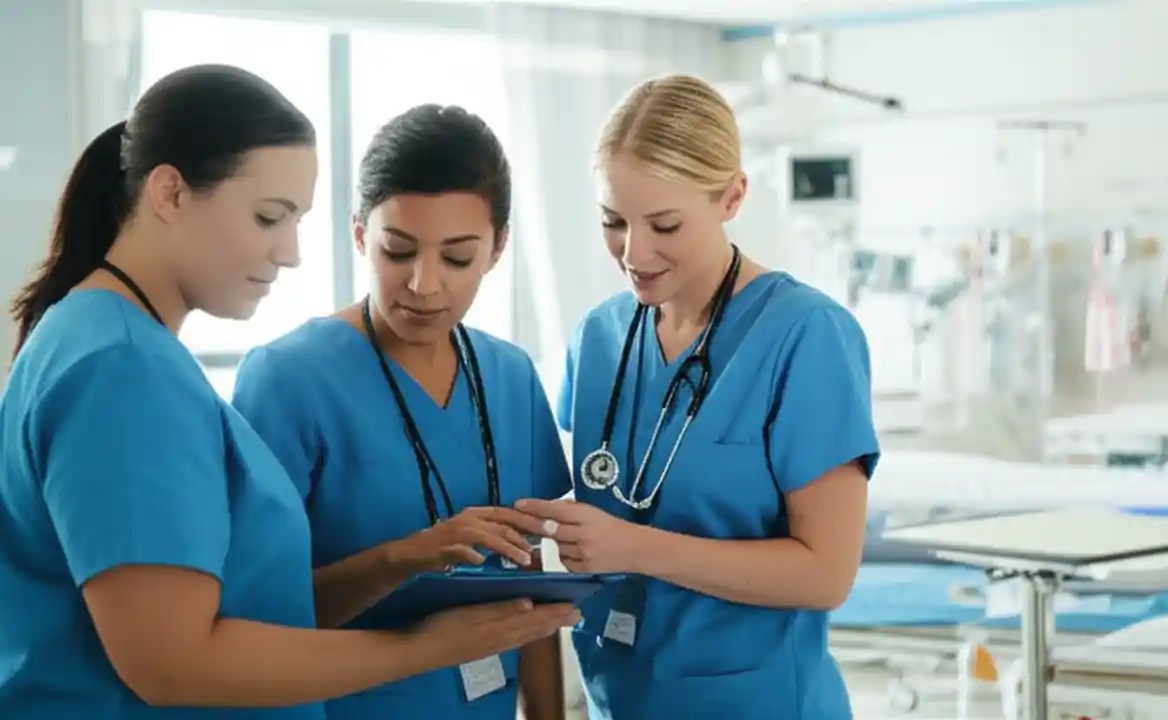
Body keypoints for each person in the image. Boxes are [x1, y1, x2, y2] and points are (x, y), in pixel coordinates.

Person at [0, 65, 577, 720]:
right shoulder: (122, 368)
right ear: (170, 193)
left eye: (296, 219)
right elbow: (172, 661)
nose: (292, 253)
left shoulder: (114, 345)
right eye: (269, 217)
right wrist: (422, 645)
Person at [518, 74, 880, 720]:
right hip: (620, 696)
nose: (634, 253)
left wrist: (633, 548)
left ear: (732, 196)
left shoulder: (804, 336)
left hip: (757, 702)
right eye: (612, 222)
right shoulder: (599, 338)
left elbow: (827, 574)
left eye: (664, 224)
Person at [231, 104, 572, 720]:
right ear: (361, 233)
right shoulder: (288, 378)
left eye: (458, 257)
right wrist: (410, 555)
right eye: (398, 250)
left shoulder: (511, 376)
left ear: (497, 247)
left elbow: (529, 590)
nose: (424, 284)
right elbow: (256, 617)